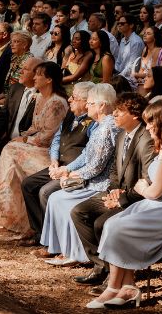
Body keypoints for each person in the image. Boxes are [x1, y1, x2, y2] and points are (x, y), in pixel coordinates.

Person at [86, 100, 162, 309]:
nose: (147, 127)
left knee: (118, 226)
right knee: (115, 223)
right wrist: (144, 186)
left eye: (151, 122)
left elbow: (155, 191)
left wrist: (141, 188)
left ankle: (115, 287)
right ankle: (126, 286)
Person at [68, 92, 156, 287]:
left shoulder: (146, 139)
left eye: (119, 111)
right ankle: (101, 266)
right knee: (78, 212)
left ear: (134, 115)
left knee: (101, 223)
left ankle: (115, 273)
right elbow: (115, 170)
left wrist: (121, 198)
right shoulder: (122, 133)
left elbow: (148, 179)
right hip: (117, 193)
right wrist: (114, 191)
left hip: (136, 199)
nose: (114, 114)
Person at [0, 61, 70, 236]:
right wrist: (24, 136)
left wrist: (24, 139)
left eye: (38, 74)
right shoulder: (40, 97)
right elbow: (35, 127)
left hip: (48, 152)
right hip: (33, 147)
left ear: (48, 80)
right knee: (11, 155)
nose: (34, 77)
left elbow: (49, 136)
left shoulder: (57, 103)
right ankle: (4, 209)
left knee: (11, 150)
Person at [37, 83, 119, 266]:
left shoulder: (107, 128)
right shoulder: (100, 126)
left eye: (90, 103)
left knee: (60, 199)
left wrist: (72, 175)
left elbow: (96, 167)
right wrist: (65, 170)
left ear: (102, 105)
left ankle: (76, 252)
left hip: (101, 184)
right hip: (92, 180)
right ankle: (64, 248)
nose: (87, 107)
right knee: (56, 198)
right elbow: (86, 155)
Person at [19, 79, 95, 245]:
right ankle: (39, 232)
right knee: (28, 184)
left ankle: (54, 243)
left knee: (45, 192)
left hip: (76, 171)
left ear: (85, 101)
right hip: (59, 164)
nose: (69, 100)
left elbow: (89, 154)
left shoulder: (93, 122)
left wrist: (66, 169)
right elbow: (57, 138)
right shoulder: (70, 115)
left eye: (73, 97)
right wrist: (53, 160)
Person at [0, 57, 43, 204]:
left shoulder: (43, 94)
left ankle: (9, 203)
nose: (20, 71)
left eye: (25, 69)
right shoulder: (15, 89)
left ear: (36, 73)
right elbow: (3, 117)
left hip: (29, 146)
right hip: (8, 142)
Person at [114, 14, 145, 87]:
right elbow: (119, 60)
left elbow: (132, 65)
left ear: (131, 25)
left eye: (122, 23)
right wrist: (116, 73)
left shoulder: (136, 41)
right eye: (118, 23)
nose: (119, 25)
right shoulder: (122, 40)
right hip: (120, 76)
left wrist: (119, 76)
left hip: (131, 79)